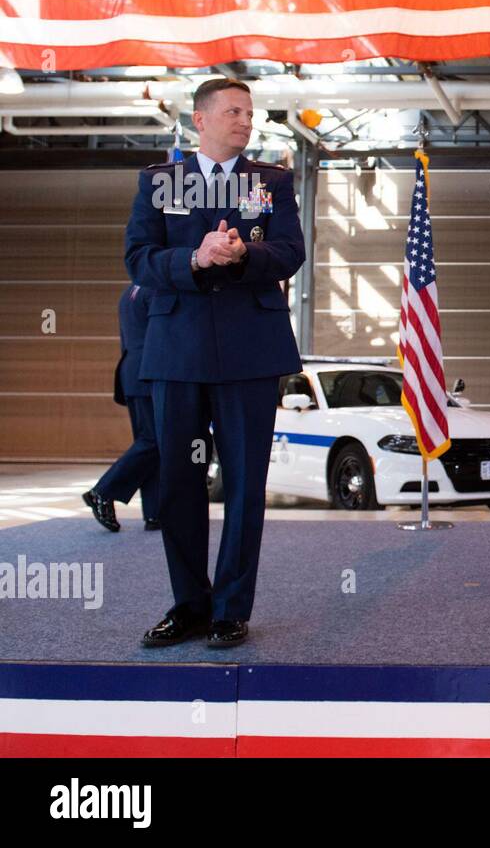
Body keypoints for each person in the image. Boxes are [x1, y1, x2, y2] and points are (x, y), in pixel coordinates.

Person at [125, 77, 305, 649]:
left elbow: (291, 251)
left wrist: (245, 252)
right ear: (199, 120)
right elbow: (138, 258)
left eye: (250, 113)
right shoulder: (160, 183)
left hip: (251, 352)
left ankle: (231, 607)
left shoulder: (271, 181)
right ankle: (190, 606)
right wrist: (194, 258)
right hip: (177, 351)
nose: (245, 120)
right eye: (233, 111)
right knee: (178, 482)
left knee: (247, 482)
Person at [83, 284, 162, 533]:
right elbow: (160, 338)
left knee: (150, 443)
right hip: (150, 373)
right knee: (153, 442)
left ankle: (154, 513)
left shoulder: (129, 293)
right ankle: (102, 491)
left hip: (132, 372)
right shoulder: (156, 291)